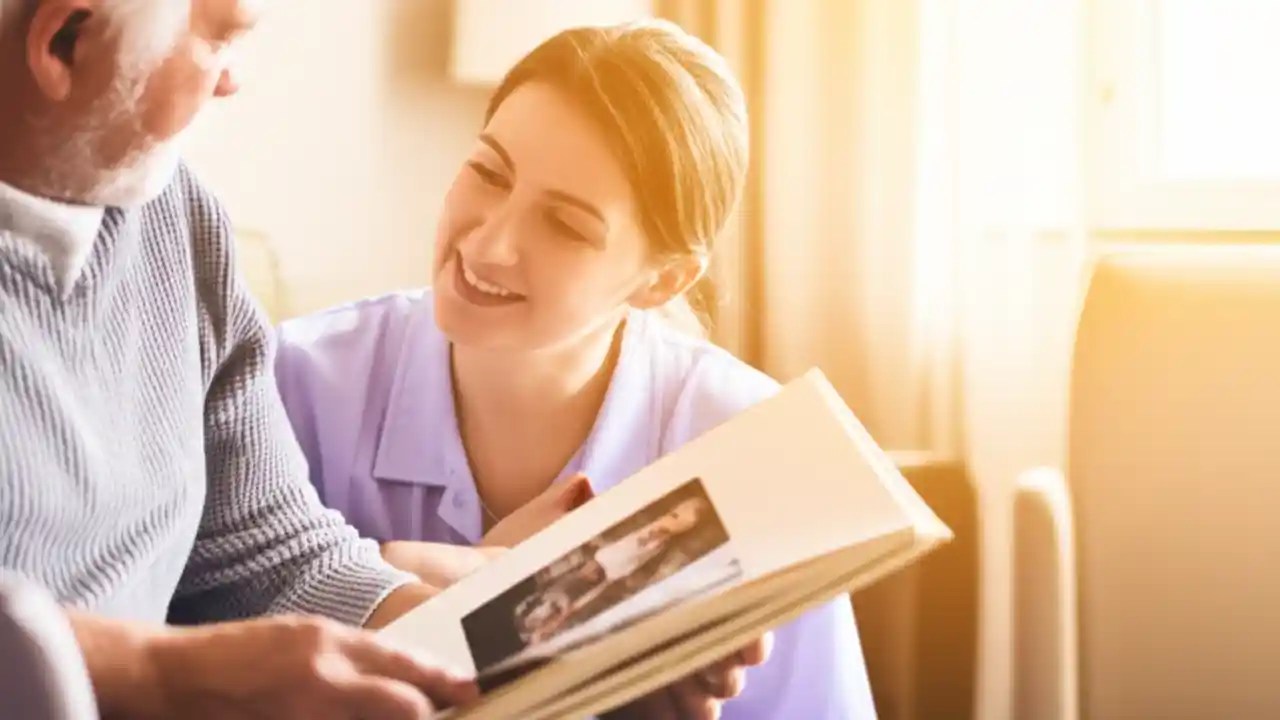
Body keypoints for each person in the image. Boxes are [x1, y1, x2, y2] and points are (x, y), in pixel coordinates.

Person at [0, 2, 764, 718]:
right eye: (219, 38)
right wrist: (160, 672)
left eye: (565, 223)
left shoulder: (178, 219)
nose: (234, 80)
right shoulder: (312, 367)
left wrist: (535, 652)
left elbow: (269, 552)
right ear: (65, 41)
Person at [276, 20, 876, 719]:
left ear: (664, 281)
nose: (491, 243)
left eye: (565, 225)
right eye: (489, 172)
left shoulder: (754, 448)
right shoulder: (294, 385)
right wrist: (395, 580)